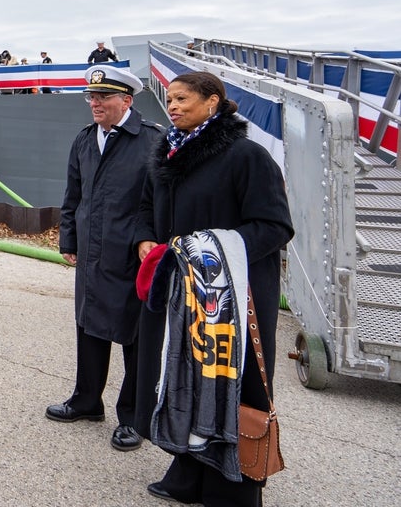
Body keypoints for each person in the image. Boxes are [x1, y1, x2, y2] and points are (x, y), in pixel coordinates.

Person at [134, 71, 293, 507]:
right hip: (180, 293)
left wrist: (209, 250)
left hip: (231, 300)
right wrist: (146, 238)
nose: (173, 106)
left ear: (212, 102)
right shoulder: (169, 153)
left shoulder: (248, 157)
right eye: (170, 100)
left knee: (232, 385)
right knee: (183, 375)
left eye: (183, 99)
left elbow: (275, 226)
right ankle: (188, 471)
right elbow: (148, 208)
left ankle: (235, 487)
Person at [47, 65, 162, 454]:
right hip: (92, 253)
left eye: (103, 98)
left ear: (126, 101)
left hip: (131, 255)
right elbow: (73, 194)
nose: (94, 103)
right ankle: (86, 400)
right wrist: (69, 238)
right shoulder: (84, 140)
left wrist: (148, 245)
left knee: (135, 338)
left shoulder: (151, 142)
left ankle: (133, 417)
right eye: (91, 97)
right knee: (89, 326)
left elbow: (159, 204)